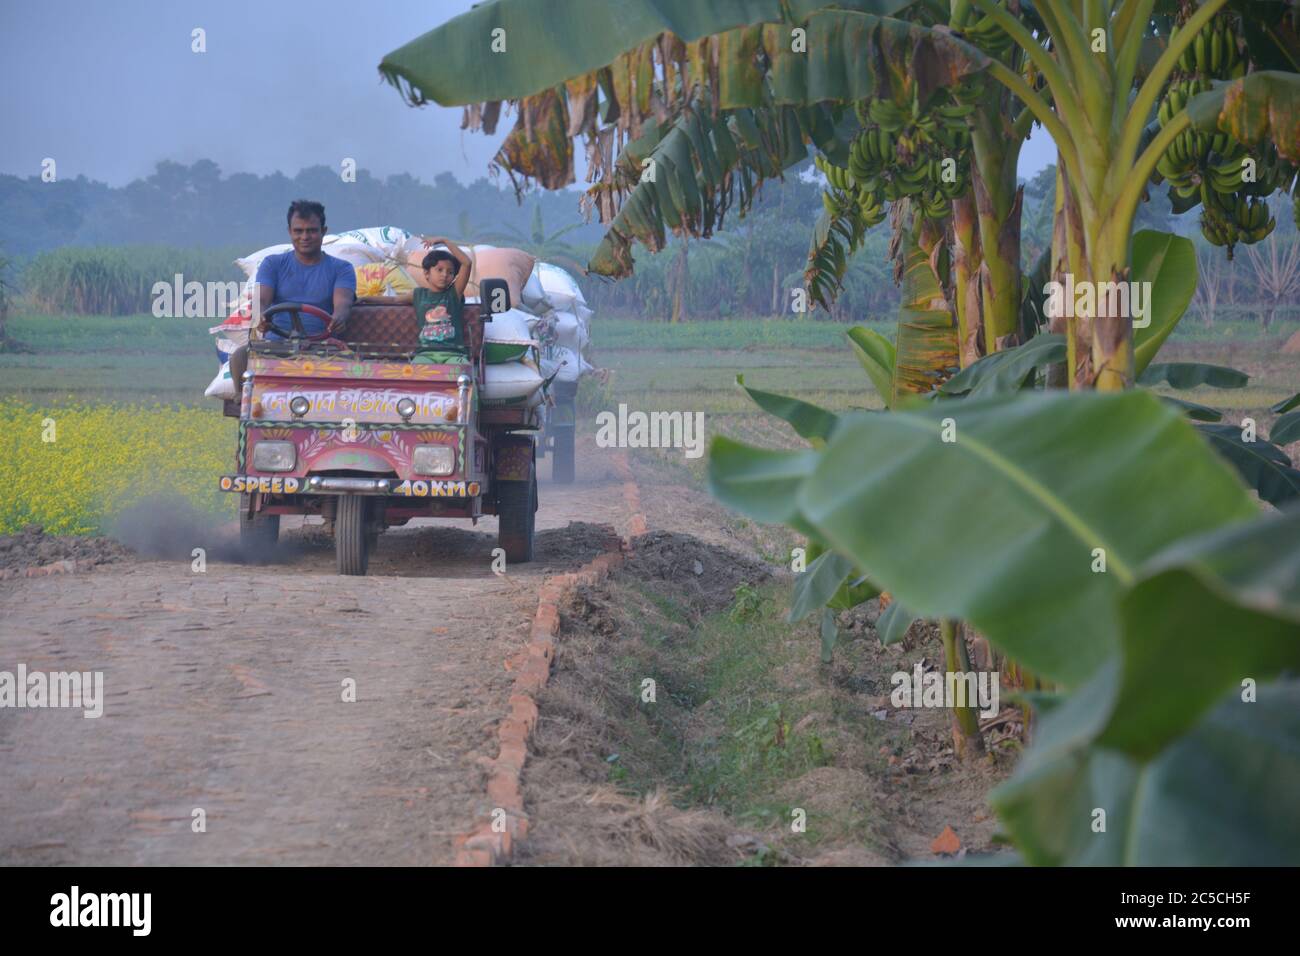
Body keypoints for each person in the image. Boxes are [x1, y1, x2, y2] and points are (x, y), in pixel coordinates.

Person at [227, 200, 356, 386]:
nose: (305, 237)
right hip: (278, 345)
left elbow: (343, 303)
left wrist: (339, 318)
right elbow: (262, 299)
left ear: (323, 231)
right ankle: (244, 403)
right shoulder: (273, 264)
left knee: (354, 367)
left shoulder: (341, 268)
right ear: (289, 232)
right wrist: (260, 315)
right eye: (298, 231)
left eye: (311, 230)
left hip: (322, 347)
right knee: (240, 356)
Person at [366, 236, 472, 364]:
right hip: (425, 354)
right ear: (426, 273)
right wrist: (363, 299)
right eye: (439, 270)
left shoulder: (454, 293)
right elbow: (394, 299)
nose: (444, 275)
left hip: (454, 354)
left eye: (450, 272)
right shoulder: (418, 294)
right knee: (415, 372)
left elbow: (467, 263)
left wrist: (445, 241)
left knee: (462, 375)